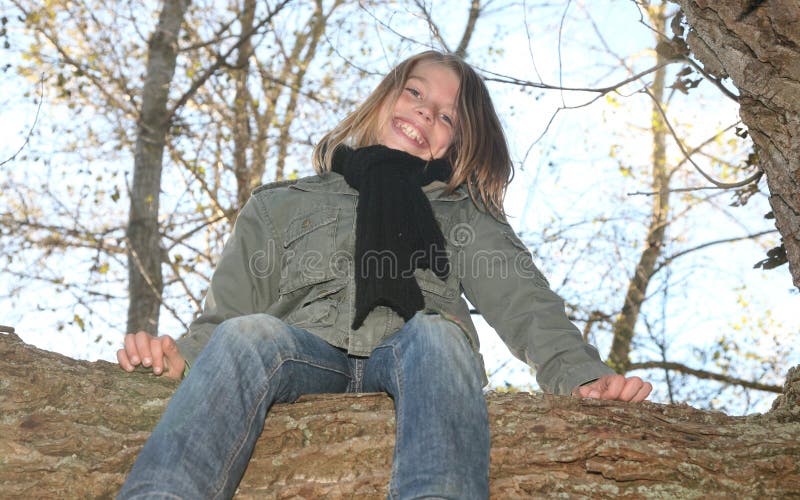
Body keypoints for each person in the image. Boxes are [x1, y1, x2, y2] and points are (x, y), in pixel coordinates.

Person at [116, 50, 652, 499]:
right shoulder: (278, 205)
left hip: (413, 358)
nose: (425, 114)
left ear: (456, 144)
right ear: (384, 97)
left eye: (447, 117)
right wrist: (180, 356)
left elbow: (528, 306)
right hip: (302, 353)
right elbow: (226, 314)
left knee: (441, 336)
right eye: (416, 93)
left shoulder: (462, 215)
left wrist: (582, 377)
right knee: (247, 333)